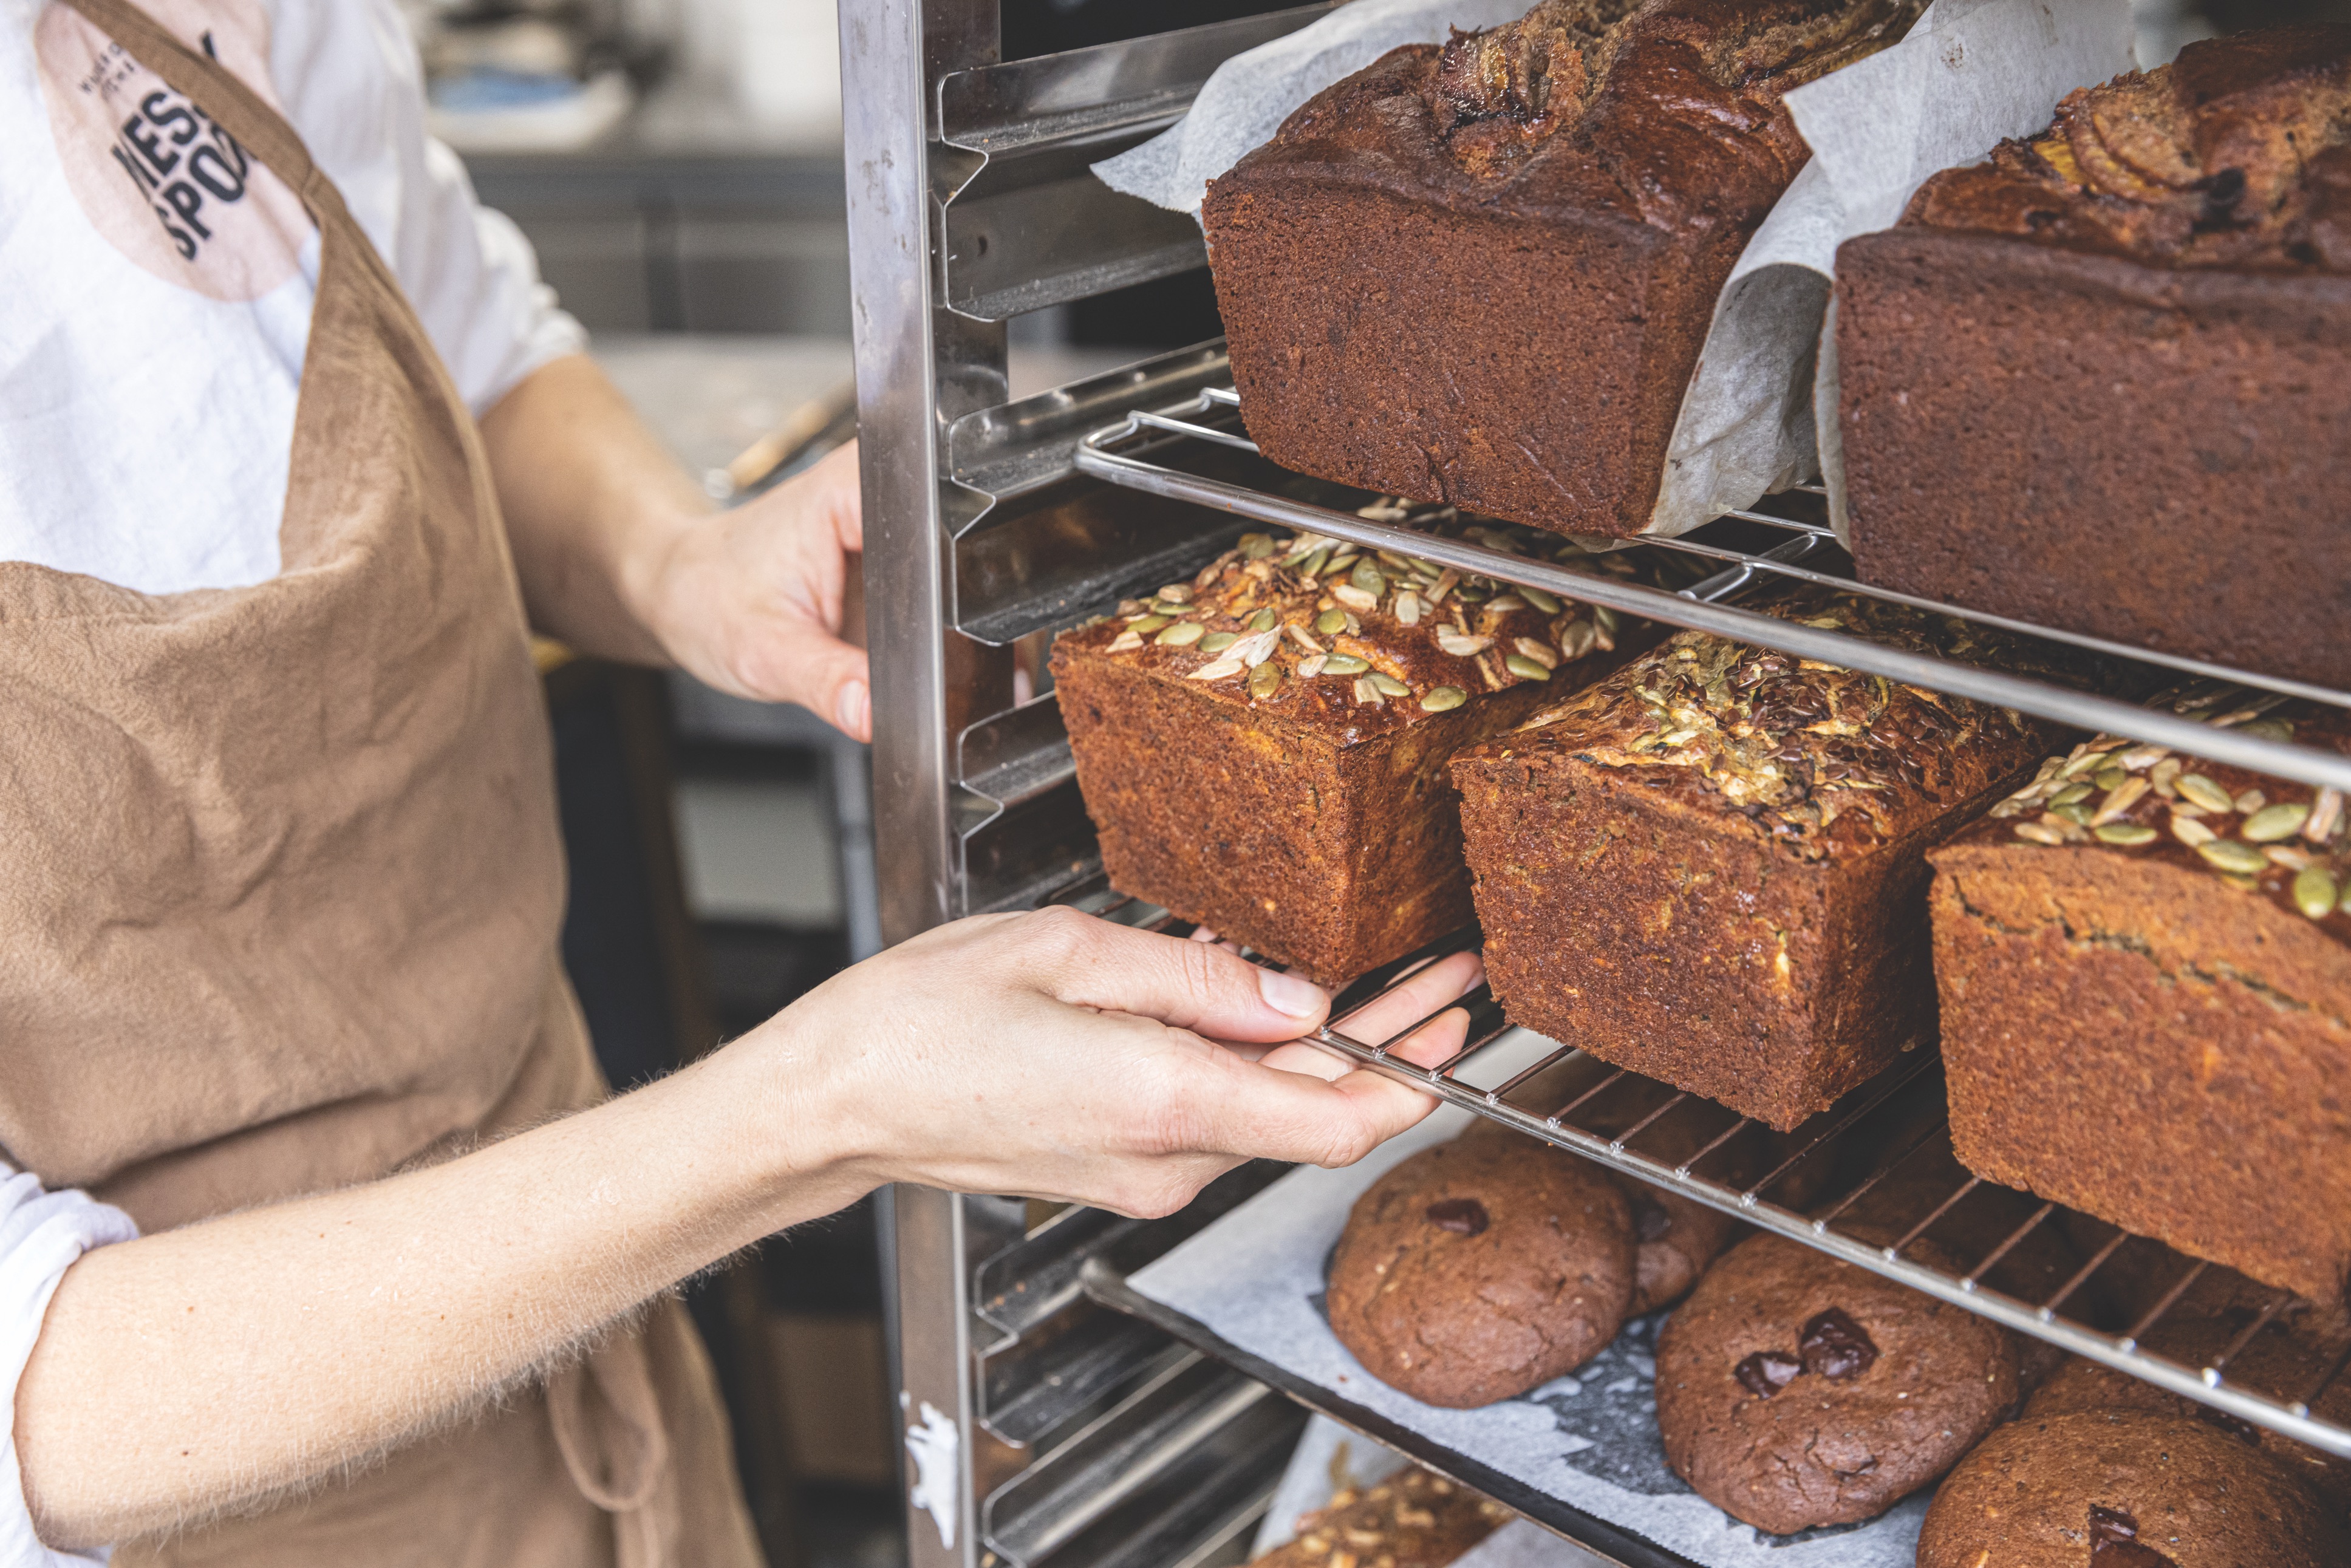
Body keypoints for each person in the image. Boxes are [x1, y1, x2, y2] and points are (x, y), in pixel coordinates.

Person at [0, 2, 1479, 1565]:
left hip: (577, 1307)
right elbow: (39, 1397)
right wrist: (815, 1114)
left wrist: (679, 566)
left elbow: (472, 358)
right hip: (204, 1487)